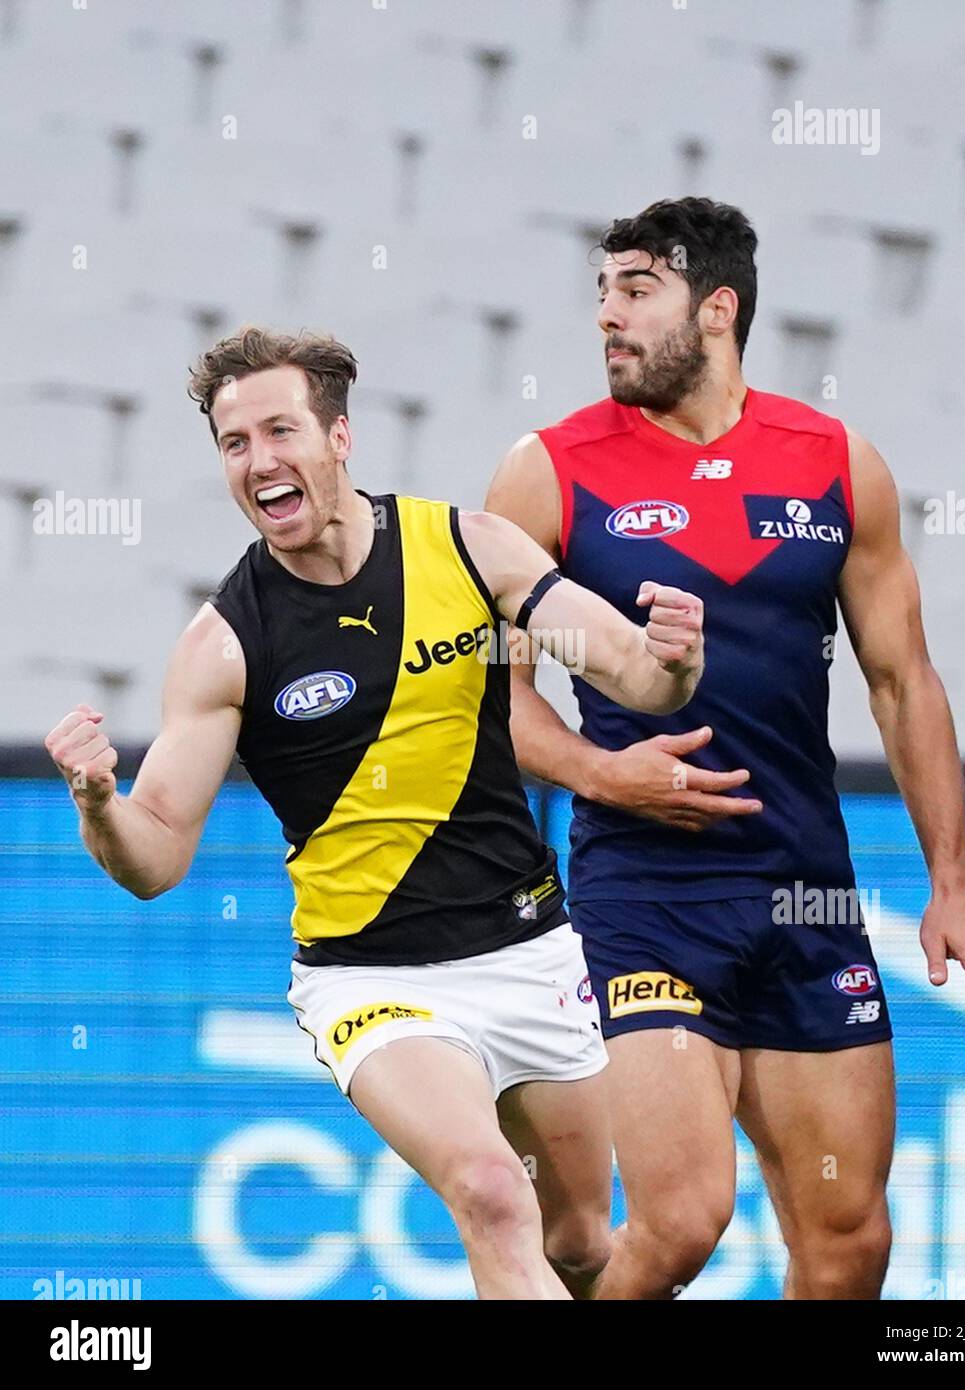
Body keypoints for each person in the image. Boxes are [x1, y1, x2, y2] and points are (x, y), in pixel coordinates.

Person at [44, 326, 705, 1301]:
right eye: (235, 444)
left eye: (280, 430)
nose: (260, 461)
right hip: (372, 978)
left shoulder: (470, 549)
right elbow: (155, 861)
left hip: (529, 950)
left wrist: (677, 654)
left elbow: (640, 677)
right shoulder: (225, 642)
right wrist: (99, 802)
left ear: (339, 437)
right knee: (490, 1193)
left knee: (578, 1239)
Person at [485, 197, 965, 1300]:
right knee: (681, 1221)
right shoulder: (548, 471)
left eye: (636, 291)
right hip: (645, 892)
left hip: (807, 895)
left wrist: (953, 886)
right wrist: (601, 771)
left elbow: (901, 679)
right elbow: (493, 703)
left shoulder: (835, 464)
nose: (607, 318)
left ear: (716, 306)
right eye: (601, 293)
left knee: (849, 1242)